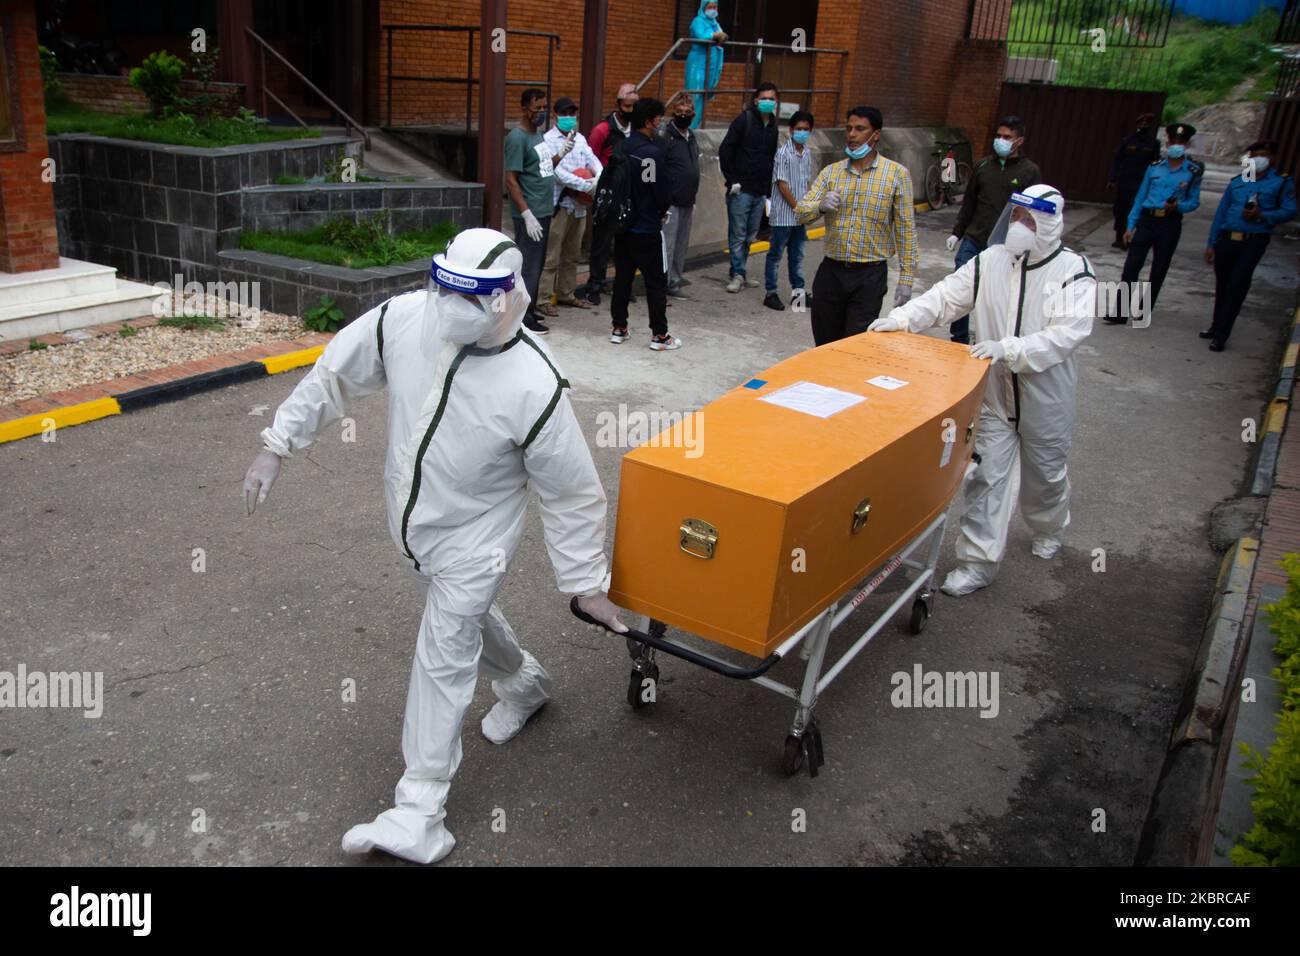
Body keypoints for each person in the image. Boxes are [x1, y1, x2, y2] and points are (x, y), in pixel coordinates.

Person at [241, 228, 628, 865]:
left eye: (468, 296)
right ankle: (526, 685)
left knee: (443, 652)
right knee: (468, 626)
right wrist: (276, 445)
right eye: (443, 286)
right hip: (412, 528)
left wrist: (586, 583)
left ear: (507, 298)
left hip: (477, 544)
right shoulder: (406, 318)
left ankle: (419, 809)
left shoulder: (534, 384)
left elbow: (571, 490)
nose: (449, 306)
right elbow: (335, 372)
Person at [868, 184, 1095, 596]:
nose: (1019, 226)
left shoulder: (1073, 271)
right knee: (986, 477)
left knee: (1045, 477)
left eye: (1030, 220)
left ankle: (1049, 526)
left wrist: (1009, 348)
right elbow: (945, 298)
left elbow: (1067, 334)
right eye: (1017, 216)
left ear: (1049, 224)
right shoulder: (991, 261)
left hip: (1046, 397)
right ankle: (978, 562)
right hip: (993, 395)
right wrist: (901, 319)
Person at [794, 105, 918, 345]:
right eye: (849, 128)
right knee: (825, 344)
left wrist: (906, 278)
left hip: (869, 276)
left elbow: (906, 229)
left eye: (860, 129)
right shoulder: (832, 173)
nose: (852, 135)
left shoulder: (896, 175)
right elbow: (800, 213)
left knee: (855, 345)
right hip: (832, 272)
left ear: (876, 134)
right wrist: (820, 206)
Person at [946, 116, 1040, 344]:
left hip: (1006, 244)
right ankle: (958, 339)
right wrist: (957, 232)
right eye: (998, 136)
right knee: (962, 284)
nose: (1001, 141)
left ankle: (995, 338)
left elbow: (1032, 214)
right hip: (975, 237)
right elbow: (969, 202)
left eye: (1007, 137)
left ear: (1019, 141)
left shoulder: (1029, 171)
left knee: (998, 294)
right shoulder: (983, 166)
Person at [1202, 140, 1296, 351]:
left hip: (1253, 241)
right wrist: (1211, 243)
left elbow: (1289, 211)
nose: (1258, 159)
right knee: (1223, 285)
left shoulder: (1281, 183)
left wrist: (1263, 216)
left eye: (1262, 155)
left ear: (1271, 158)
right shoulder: (1238, 181)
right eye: (1254, 155)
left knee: (1237, 286)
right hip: (1227, 239)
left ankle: (1222, 335)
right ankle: (1215, 326)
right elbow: (1221, 213)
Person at [1110, 122, 1202, 323]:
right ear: (1167, 143)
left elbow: (1194, 201)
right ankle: (1119, 311)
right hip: (1147, 219)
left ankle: (1144, 310)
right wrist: (1130, 225)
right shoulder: (1154, 168)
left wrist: (1179, 206)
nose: (1176, 145)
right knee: (1132, 265)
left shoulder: (1193, 171)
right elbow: (1140, 197)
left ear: (1187, 145)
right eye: (1173, 141)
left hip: (1170, 222)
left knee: (1159, 268)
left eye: (1181, 142)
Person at [610, 97, 680, 351]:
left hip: (622, 226)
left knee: (622, 279)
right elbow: (660, 193)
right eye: (658, 118)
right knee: (655, 283)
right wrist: (661, 210)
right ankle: (659, 335)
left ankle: (619, 328)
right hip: (647, 228)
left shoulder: (622, 147)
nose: (660, 123)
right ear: (649, 121)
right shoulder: (650, 153)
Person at [540, 96, 603, 319]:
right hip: (560, 204)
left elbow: (592, 160)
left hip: (579, 205)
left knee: (572, 254)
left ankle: (566, 293)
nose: (569, 117)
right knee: (551, 256)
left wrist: (598, 177)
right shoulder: (547, 140)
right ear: (556, 115)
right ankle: (543, 299)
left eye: (572, 113)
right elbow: (555, 172)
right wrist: (585, 184)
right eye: (565, 113)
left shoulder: (580, 139)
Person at [505, 87, 560, 335]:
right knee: (528, 265)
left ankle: (530, 308)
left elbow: (542, 168)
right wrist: (526, 214)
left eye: (543, 108)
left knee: (536, 264)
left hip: (543, 209)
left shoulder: (538, 136)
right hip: (531, 214)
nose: (541, 112)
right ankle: (523, 318)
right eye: (537, 108)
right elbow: (511, 179)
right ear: (524, 108)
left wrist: (561, 154)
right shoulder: (517, 138)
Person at [719, 82, 780, 294]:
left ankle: (739, 270)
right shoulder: (744, 120)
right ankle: (738, 274)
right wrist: (732, 179)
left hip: (760, 190)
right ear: (756, 100)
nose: (768, 102)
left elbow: (771, 159)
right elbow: (726, 150)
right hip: (741, 188)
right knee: (737, 233)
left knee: (749, 234)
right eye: (764, 98)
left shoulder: (772, 125)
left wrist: (770, 191)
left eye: (772, 98)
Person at [582, 83, 639, 304]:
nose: (630, 111)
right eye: (627, 106)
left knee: (626, 245)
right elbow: (589, 158)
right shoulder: (603, 130)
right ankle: (594, 286)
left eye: (634, 106)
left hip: (629, 194)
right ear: (618, 105)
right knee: (601, 245)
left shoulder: (636, 130)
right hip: (607, 196)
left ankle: (622, 286)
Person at [763, 110, 815, 311]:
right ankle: (771, 293)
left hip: (799, 218)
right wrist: (798, 207)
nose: (802, 132)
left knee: (797, 256)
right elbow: (782, 184)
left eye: (806, 129)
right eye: (799, 129)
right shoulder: (783, 154)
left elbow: (805, 183)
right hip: (784, 216)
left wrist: (807, 208)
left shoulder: (807, 154)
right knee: (775, 255)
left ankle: (799, 295)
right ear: (791, 130)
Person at [657, 93, 702, 299]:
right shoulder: (665, 137)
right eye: (680, 112)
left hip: (687, 200)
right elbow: (657, 168)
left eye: (688, 112)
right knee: (667, 245)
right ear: (673, 113)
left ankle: (674, 282)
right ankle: (661, 284)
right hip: (670, 202)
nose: (684, 115)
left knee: (681, 246)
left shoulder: (691, 137)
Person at [1107, 113, 1160, 250]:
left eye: (1147, 124)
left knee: (1134, 210)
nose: (1143, 126)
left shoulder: (1153, 144)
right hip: (1124, 181)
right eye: (1141, 124)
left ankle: (1129, 237)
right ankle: (1119, 237)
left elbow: (1155, 165)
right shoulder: (1128, 141)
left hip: (1141, 184)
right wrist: (1112, 179)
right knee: (1120, 210)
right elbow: (1117, 160)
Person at [684, 0, 726, 129]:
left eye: (715, 7)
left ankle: (694, 126)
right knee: (694, 93)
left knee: (705, 94)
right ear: (703, 8)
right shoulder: (698, 21)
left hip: (711, 63)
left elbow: (723, 36)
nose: (713, 10)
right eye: (710, 7)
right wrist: (715, 35)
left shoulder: (715, 23)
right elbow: (702, 36)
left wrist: (720, 35)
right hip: (697, 62)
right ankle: (687, 124)